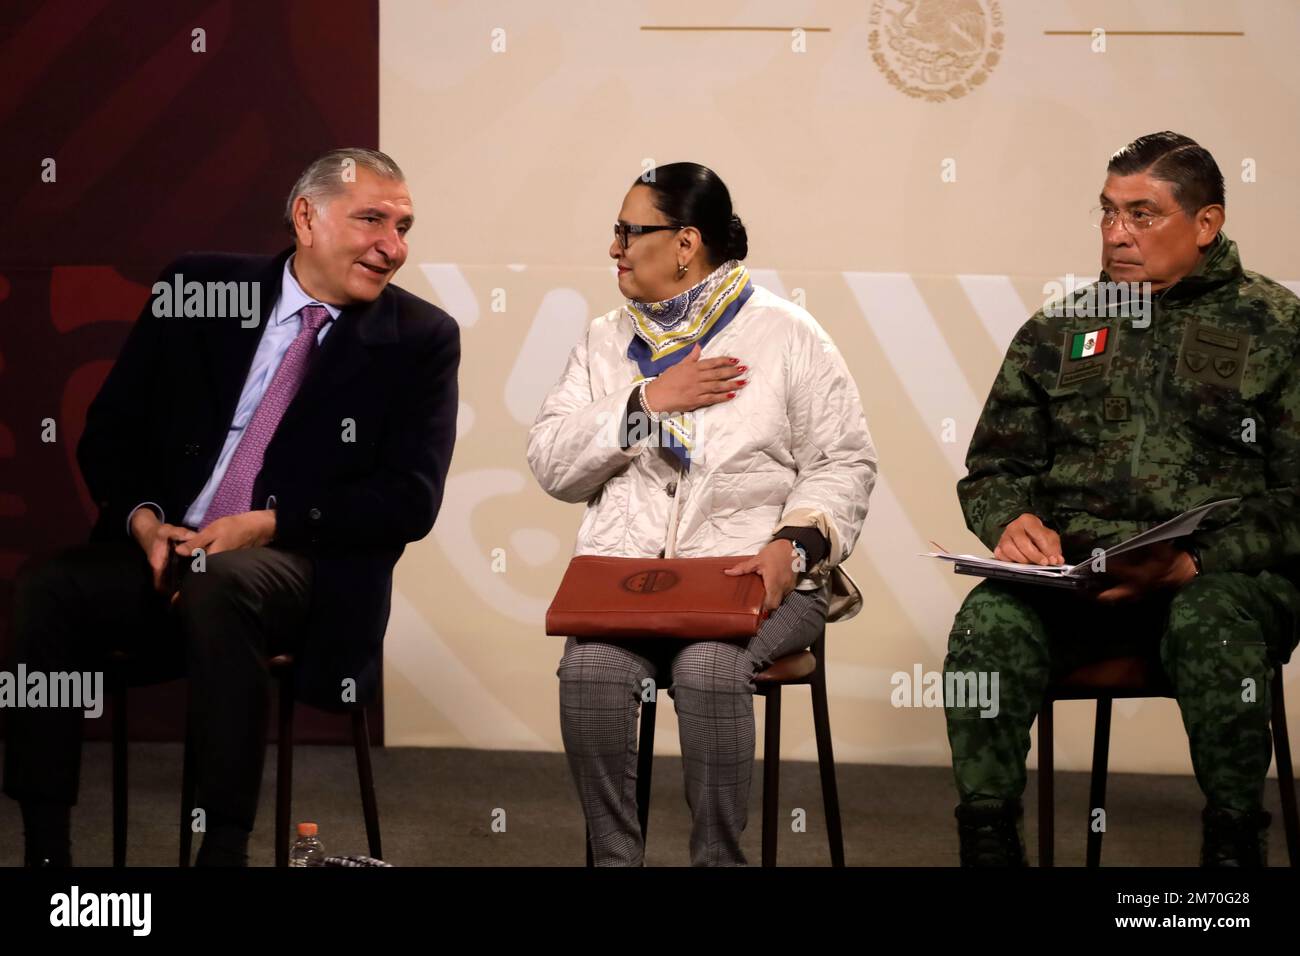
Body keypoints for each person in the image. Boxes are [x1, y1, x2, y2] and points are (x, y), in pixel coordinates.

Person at [3, 147, 460, 866]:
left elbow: (410, 499)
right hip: (171, 548)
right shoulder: (198, 288)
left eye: (403, 227)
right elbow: (109, 432)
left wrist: (269, 524)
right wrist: (145, 520)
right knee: (48, 589)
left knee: (224, 581)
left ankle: (223, 850)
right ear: (306, 218)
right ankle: (46, 852)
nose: (392, 247)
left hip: (298, 568)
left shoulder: (420, 339)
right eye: (372, 220)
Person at [945, 132, 1300, 866]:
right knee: (988, 625)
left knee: (1212, 621)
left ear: (1207, 224)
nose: (1116, 234)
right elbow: (994, 467)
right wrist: (1011, 520)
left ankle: (1234, 849)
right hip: (1082, 579)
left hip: (1219, 581)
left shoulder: (1277, 327)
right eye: (1107, 212)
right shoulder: (1060, 328)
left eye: (1142, 215)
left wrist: (1196, 562)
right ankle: (988, 841)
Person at [528, 162, 876, 866]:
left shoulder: (788, 334)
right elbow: (554, 466)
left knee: (709, 667)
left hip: (758, 576)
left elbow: (845, 463)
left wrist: (795, 545)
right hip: (630, 583)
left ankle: (719, 861)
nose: (615, 247)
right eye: (616, 231)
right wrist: (646, 404)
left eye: (630, 230)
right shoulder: (603, 341)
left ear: (685, 243)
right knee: (591, 668)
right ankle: (614, 862)